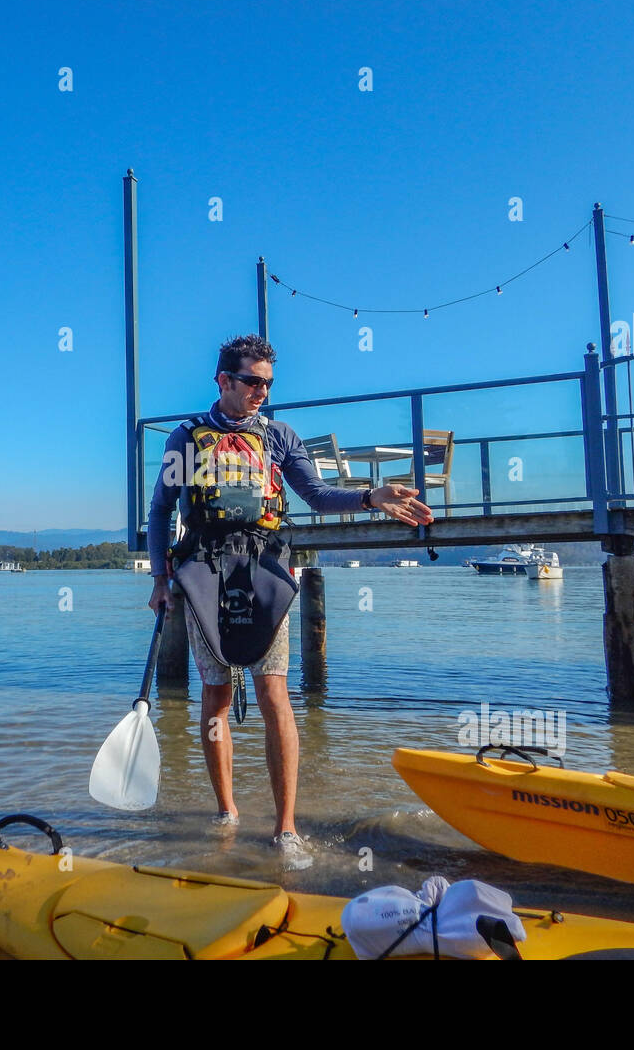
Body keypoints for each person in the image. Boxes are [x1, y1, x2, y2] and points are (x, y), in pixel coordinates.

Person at [147, 335, 433, 868]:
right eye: (252, 381)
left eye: (269, 384)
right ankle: (227, 812)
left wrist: (370, 497)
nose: (261, 392)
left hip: (266, 568)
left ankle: (286, 828)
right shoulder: (185, 440)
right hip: (204, 570)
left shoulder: (280, 436)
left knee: (274, 692)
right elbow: (161, 511)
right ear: (223, 380)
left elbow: (318, 496)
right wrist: (160, 579)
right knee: (216, 696)